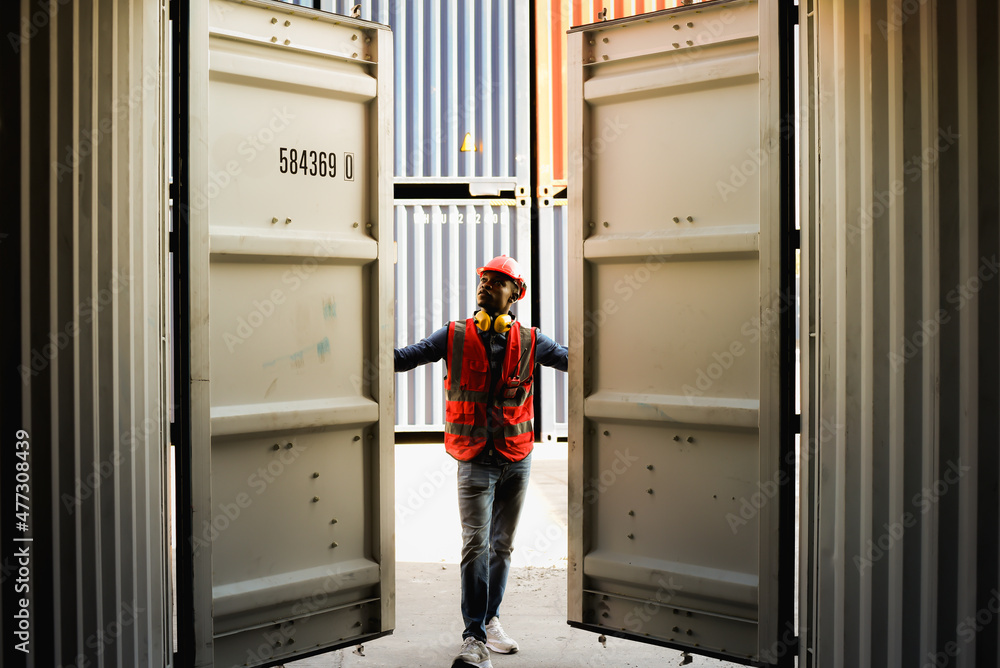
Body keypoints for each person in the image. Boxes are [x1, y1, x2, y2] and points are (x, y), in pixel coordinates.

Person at [394, 255, 568, 668]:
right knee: (476, 544)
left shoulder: (531, 340)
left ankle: (490, 621)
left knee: (502, 546)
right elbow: (404, 357)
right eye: (484, 279)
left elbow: (576, 361)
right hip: (475, 460)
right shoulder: (453, 335)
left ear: (516, 294)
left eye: (498, 281)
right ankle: (472, 638)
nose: (486, 285)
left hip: (517, 458)